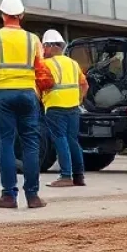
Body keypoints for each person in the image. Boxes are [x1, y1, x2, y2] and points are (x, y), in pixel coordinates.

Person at [0, 0, 52, 210]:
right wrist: (42, 90)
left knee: (6, 143)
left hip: (3, 95)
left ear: (2, 15)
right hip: (27, 95)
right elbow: (42, 70)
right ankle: (33, 196)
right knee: (31, 144)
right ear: (22, 15)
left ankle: (8, 196)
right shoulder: (33, 39)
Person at [40, 30, 88, 188]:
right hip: (73, 107)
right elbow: (84, 85)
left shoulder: (46, 64)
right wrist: (78, 99)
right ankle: (79, 176)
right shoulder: (73, 64)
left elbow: (40, 85)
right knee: (72, 140)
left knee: (60, 140)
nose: (43, 50)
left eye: (44, 46)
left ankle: (66, 176)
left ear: (50, 46)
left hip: (55, 106)